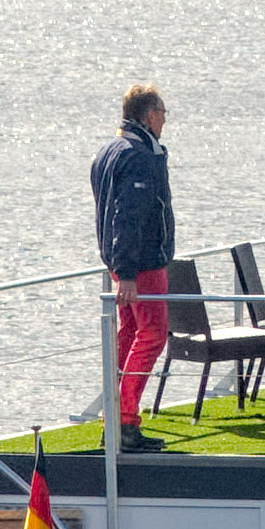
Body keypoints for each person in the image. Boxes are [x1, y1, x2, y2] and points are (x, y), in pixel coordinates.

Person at [90, 83, 177, 453]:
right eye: (163, 114)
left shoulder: (110, 150)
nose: (165, 121)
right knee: (153, 334)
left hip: (122, 263)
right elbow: (129, 217)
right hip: (140, 265)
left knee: (127, 336)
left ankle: (114, 419)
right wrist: (127, 273)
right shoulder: (139, 156)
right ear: (150, 115)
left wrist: (119, 268)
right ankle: (125, 421)